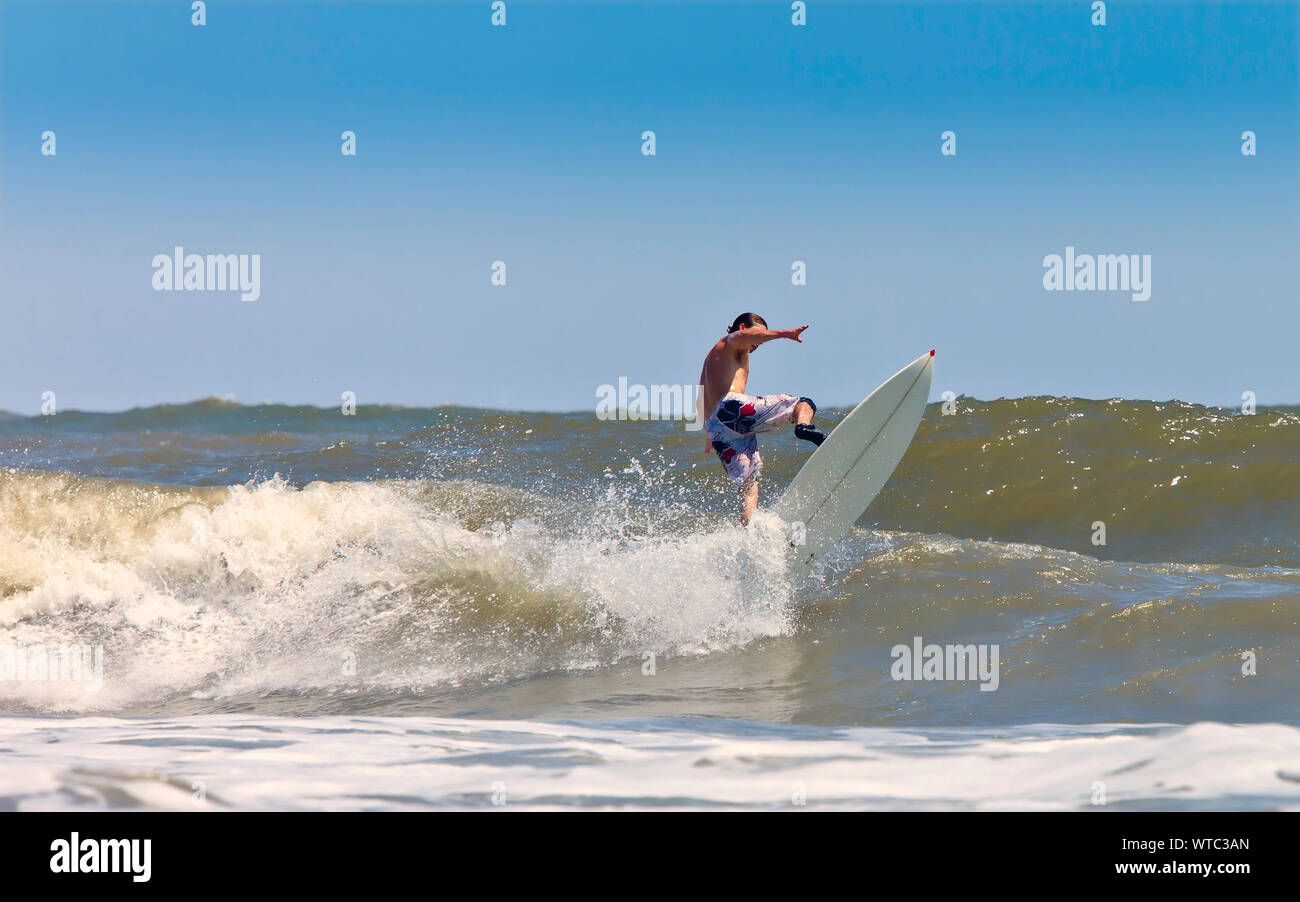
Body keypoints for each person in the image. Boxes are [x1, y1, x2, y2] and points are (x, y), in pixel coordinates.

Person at [697, 313, 826, 524]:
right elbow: (743, 337)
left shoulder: (714, 357)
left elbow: (703, 397)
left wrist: (710, 433)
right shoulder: (730, 342)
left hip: (717, 427)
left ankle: (749, 536)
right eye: (758, 333)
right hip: (731, 407)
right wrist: (785, 334)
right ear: (742, 327)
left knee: (749, 486)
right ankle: (804, 428)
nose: (759, 341)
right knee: (803, 404)